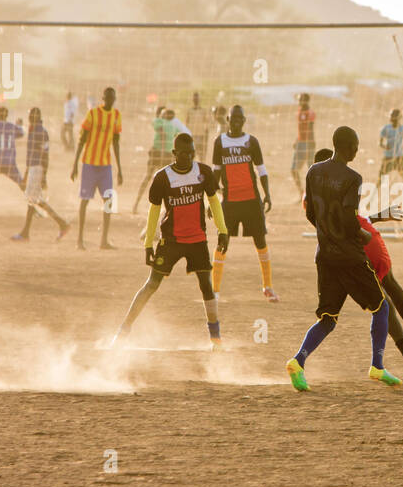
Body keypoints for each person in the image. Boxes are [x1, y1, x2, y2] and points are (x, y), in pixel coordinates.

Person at [285, 126, 401, 392]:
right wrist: (362, 235)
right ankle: (377, 366)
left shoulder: (314, 172)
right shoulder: (353, 178)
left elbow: (311, 214)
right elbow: (349, 218)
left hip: (325, 255)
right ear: (345, 146)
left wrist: (328, 233)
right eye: (355, 146)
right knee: (381, 307)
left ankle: (298, 361)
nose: (357, 151)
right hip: (350, 257)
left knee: (328, 317)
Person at [314, 147, 403, 380]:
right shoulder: (343, 182)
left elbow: (339, 226)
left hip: (351, 250)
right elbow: (356, 218)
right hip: (372, 238)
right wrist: (380, 215)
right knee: (391, 285)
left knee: (381, 305)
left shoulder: (316, 195)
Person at [110, 133, 225, 349]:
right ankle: (122, 333)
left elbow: (214, 201)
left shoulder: (204, 172)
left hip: (197, 240)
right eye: (183, 153)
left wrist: (223, 231)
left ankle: (215, 338)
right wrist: (147, 245)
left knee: (206, 286)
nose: (188, 157)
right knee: (152, 283)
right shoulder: (162, 177)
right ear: (174, 154)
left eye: (191, 153)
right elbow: (153, 213)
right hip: (170, 241)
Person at [210, 105, 277, 302]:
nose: (237, 121)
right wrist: (212, 200)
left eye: (240, 118)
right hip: (230, 201)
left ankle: (268, 286)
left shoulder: (251, 142)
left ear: (244, 120)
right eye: (233, 118)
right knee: (223, 241)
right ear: (227, 120)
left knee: (260, 242)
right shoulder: (220, 142)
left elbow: (261, 170)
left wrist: (268, 194)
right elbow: (215, 172)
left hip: (252, 201)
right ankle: (214, 290)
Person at [70, 86, 123, 250]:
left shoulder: (116, 116)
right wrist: (75, 165)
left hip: (105, 166)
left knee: (109, 201)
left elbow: (115, 142)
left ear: (114, 99)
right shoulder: (93, 114)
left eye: (112, 98)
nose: (109, 100)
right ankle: (80, 240)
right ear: (103, 98)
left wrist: (120, 169)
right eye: (107, 97)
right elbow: (82, 140)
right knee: (84, 201)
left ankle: (104, 240)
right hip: (89, 164)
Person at [12, 107, 71, 241]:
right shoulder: (33, 131)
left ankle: (27, 232)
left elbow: (45, 155)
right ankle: (61, 223)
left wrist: (44, 175)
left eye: (32, 116)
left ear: (37, 118)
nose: (30, 118)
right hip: (33, 168)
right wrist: (27, 174)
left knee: (33, 200)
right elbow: (31, 155)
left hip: (37, 168)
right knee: (34, 200)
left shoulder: (41, 132)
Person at [132, 106, 189, 214]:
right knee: (148, 176)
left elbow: (178, 134)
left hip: (167, 154)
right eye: (164, 113)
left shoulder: (172, 125)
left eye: (168, 113)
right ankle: (136, 203)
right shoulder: (158, 121)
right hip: (157, 152)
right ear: (161, 114)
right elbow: (161, 131)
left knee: (169, 180)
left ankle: (170, 206)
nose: (167, 114)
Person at [289, 93, 316, 197]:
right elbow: (301, 129)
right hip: (300, 143)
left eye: (301, 100)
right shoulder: (299, 112)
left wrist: (311, 143)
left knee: (312, 170)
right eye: (299, 100)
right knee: (293, 170)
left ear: (307, 101)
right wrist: (297, 140)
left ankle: (312, 194)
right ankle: (301, 193)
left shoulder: (310, 113)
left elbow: (310, 129)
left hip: (308, 144)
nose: (300, 102)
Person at [378, 109, 403, 186]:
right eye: (392, 117)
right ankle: (376, 191)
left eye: (395, 118)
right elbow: (380, 143)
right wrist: (385, 146)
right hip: (388, 156)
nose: (393, 120)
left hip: (399, 156)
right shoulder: (386, 128)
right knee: (382, 175)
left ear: (399, 118)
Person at [185, 92, 210, 163]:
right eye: (194, 98)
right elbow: (186, 122)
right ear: (192, 100)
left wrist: (206, 134)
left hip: (201, 136)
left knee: (202, 155)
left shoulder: (203, 111)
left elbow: (207, 123)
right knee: (191, 155)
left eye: (197, 98)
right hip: (192, 136)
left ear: (199, 100)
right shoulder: (189, 111)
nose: (196, 100)